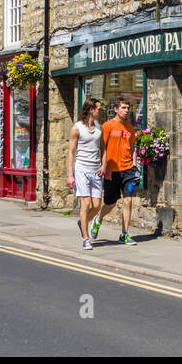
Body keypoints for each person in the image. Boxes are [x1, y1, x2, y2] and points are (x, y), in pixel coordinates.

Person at [90, 96, 140, 246]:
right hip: (112, 170)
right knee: (110, 203)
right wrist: (103, 166)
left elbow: (132, 150)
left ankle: (124, 234)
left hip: (128, 170)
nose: (126, 111)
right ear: (116, 109)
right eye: (123, 108)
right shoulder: (107, 126)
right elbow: (101, 148)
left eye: (128, 108)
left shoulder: (130, 128)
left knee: (128, 200)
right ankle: (98, 219)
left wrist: (134, 166)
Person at [67, 98, 104, 250]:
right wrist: (70, 175)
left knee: (96, 206)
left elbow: (103, 148)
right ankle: (85, 238)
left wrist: (104, 165)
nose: (100, 111)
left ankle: (82, 223)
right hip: (81, 169)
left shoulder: (99, 128)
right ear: (91, 110)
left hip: (96, 170)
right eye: (99, 109)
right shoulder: (77, 128)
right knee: (86, 203)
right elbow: (71, 152)